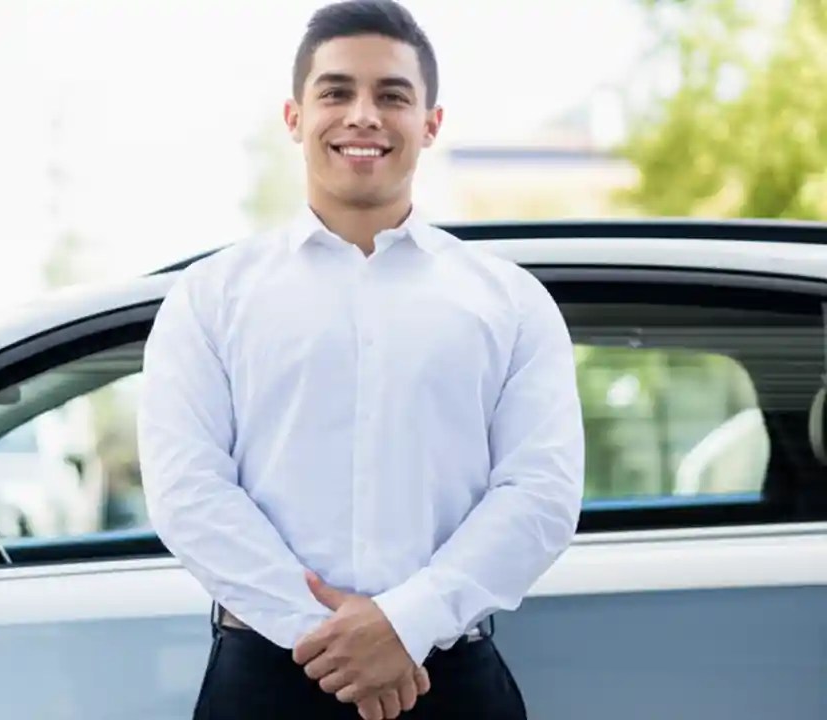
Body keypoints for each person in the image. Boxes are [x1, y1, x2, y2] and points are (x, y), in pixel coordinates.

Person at [136, 1, 585, 718]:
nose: (364, 115)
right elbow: (188, 490)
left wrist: (407, 623)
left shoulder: (509, 301)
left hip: (450, 679)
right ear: (293, 116)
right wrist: (341, 640)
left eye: (393, 96)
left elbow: (542, 494)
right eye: (337, 92)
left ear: (431, 123)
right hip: (265, 683)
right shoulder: (210, 295)